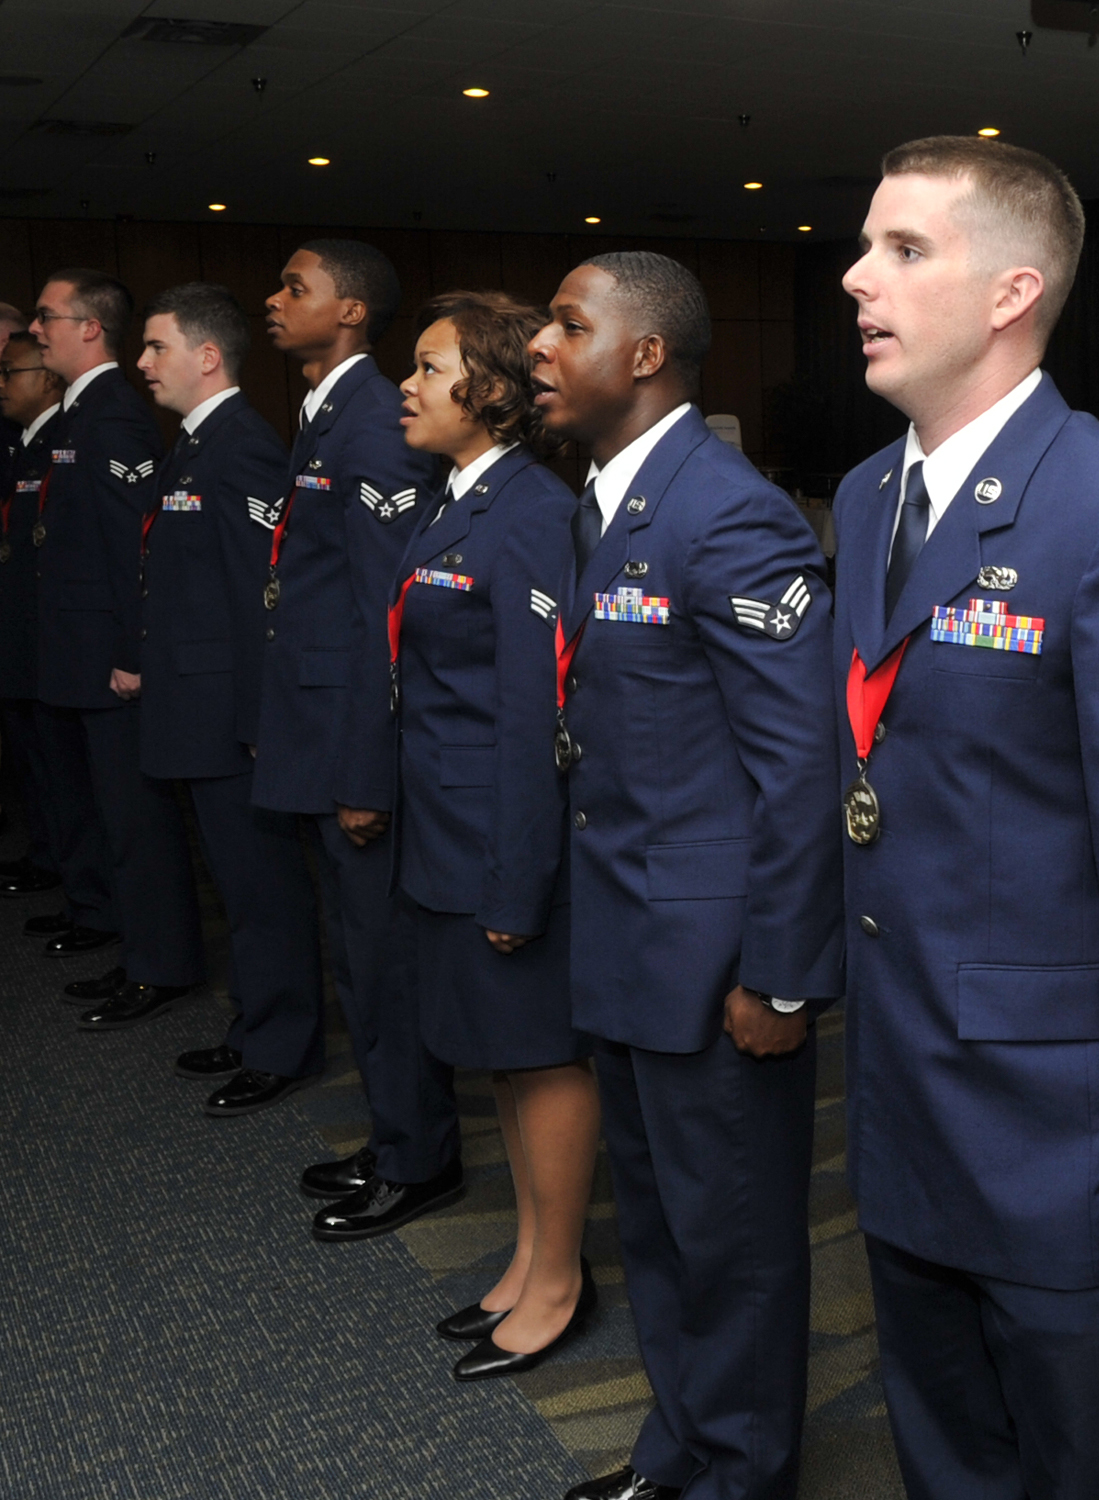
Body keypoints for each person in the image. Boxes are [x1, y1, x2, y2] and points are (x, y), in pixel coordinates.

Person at [834, 136, 1099, 1499]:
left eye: (905, 251)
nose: (857, 278)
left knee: (1074, 1464)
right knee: (942, 1451)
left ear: (1014, 292)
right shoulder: (862, 498)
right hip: (901, 1084)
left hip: (1051, 1123)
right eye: (866, 246)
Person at [528, 250, 841, 1500]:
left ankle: (743, 1475)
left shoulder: (732, 512)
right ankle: (683, 1453)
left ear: (645, 356)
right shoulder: (609, 505)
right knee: (658, 1232)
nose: (538, 349)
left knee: (737, 1249)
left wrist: (782, 973)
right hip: (627, 942)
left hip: (720, 969)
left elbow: (802, 767)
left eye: (565, 325)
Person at [384, 290, 597, 1381]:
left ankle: (559, 1278)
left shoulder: (528, 513)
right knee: (503, 1063)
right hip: (450, 831)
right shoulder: (453, 498)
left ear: (498, 393)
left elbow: (536, 714)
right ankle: (528, 1254)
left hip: (503, 842)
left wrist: (520, 885)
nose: (406, 388)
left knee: (541, 1057)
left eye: (427, 368)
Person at [251, 240, 462, 1238]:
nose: (274, 300)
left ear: (349, 313)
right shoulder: (328, 418)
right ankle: (392, 1138)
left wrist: (368, 768)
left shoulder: (375, 426)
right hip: (319, 725)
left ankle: (419, 1157)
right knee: (359, 955)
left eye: (296, 287)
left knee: (381, 961)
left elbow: (388, 611)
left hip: (355, 742)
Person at [133, 282, 325, 1112]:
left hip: (231, 717)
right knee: (238, 887)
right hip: (198, 709)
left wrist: (259, 721)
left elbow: (262, 598)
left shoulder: (241, 445)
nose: (142, 364)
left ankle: (282, 1046)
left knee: (262, 889)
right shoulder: (192, 447)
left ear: (207, 357)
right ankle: (255, 1024)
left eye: (155, 348)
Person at [28, 269, 206, 1021]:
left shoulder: (113, 419)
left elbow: (136, 548)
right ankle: (138, 949)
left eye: (46, 317)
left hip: (113, 663)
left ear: (89, 327)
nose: (35, 332)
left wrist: (134, 651)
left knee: (137, 824)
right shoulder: (79, 416)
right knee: (111, 818)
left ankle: (160, 964)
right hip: (82, 657)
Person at [0, 330, 73, 909]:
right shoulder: (24, 444)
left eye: (10, 373)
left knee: (61, 773)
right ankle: (54, 861)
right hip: (23, 634)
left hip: (50, 638)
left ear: (47, 378)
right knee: (35, 765)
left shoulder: (61, 442)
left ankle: (77, 880)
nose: (1, 385)